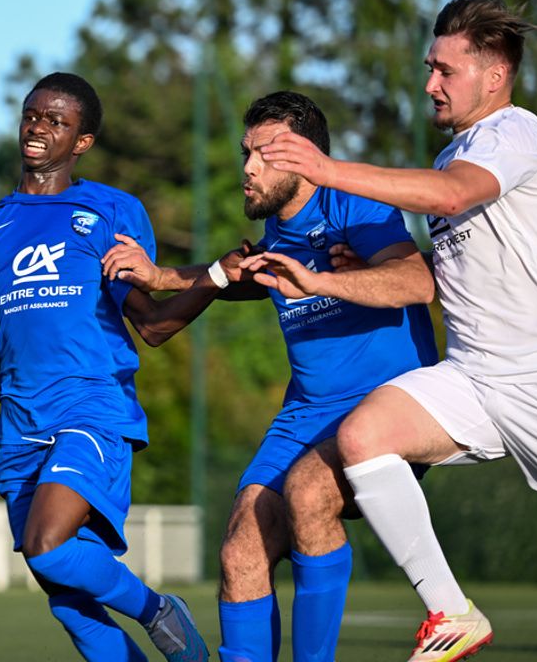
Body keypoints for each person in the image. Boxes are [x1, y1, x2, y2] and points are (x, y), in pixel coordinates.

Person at [260, 0, 537, 662]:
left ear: (494, 74)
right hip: (472, 373)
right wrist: (352, 272)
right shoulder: (454, 158)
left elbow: (450, 198)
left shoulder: (514, 133)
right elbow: (524, 277)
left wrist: (326, 170)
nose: (429, 84)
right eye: (428, 67)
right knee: (363, 435)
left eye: (445, 70)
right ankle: (452, 612)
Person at [100, 91, 437, 662]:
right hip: (306, 413)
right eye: (246, 153)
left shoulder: (354, 205)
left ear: (306, 157)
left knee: (308, 493)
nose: (249, 167)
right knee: (240, 551)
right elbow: (250, 276)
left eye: (266, 154)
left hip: (386, 407)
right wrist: (161, 276)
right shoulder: (282, 231)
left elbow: (415, 282)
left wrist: (320, 280)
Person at [0, 72, 210, 662]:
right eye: (32, 115)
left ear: (83, 141)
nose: (39, 127)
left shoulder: (113, 209)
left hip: (91, 407)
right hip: (19, 423)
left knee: (47, 544)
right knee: (66, 598)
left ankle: (159, 610)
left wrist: (216, 280)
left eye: (57, 120)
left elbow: (151, 322)